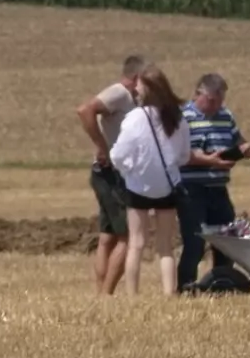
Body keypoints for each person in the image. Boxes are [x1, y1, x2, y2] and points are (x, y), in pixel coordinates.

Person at [110, 66, 190, 296]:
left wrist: (129, 170)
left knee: (136, 243)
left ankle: (133, 296)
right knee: (165, 246)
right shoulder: (178, 118)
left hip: (139, 186)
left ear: (147, 89)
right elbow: (184, 155)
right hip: (167, 186)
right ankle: (168, 293)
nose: (135, 88)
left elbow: (118, 155)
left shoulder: (135, 118)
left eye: (138, 84)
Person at [75, 55, 147, 295]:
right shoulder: (119, 93)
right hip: (113, 174)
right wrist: (103, 146)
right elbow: (85, 110)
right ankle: (106, 294)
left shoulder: (130, 99)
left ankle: (100, 293)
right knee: (128, 235)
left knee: (108, 236)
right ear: (137, 77)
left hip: (109, 172)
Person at [177, 73, 250, 288]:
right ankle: (185, 287)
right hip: (192, 190)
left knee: (227, 242)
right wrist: (211, 161)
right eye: (211, 101)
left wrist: (243, 148)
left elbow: (238, 139)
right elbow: (181, 153)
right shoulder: (184, 117)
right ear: (198, 94)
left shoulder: (225, 115)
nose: (216, 105)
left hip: (219, 189)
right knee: (195, 242)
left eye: (220, 101)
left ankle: (222, 284)